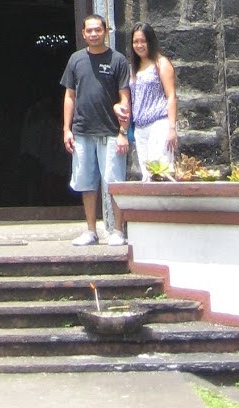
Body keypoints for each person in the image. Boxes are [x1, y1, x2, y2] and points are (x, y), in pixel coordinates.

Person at [61, 12, 131, 246]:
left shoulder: (118, 60)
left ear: (106, 31)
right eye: (89, 30)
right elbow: (69, 96)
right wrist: (66, 129)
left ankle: (118, 230)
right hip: (82, 131)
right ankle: (91, 230)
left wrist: (123, 132)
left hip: (110, 131)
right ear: (83, 33)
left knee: (114, 183)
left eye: (97, 30)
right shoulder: (76, 60)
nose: (93, 34)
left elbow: (125, 98)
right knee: (86, 183)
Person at [129, 22, 178, 178]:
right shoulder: (134, 67)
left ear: (150, 41)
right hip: (140, 127)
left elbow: (171, 96)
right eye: (135, 42)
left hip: (159, 123)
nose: (139, 45)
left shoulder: (161, 63)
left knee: (160, 172)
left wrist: (172, 128)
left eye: (143, 41)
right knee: (147, 175)